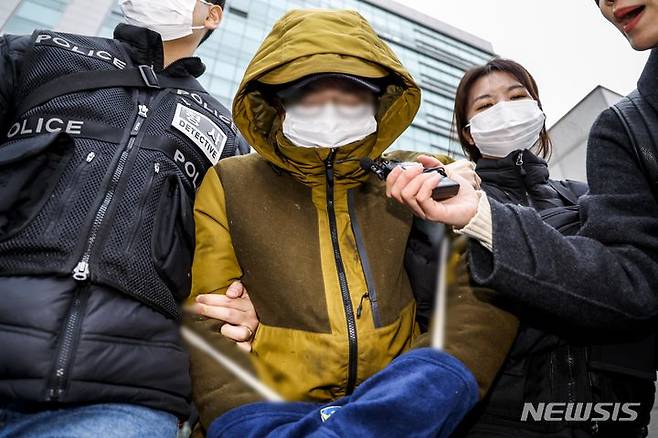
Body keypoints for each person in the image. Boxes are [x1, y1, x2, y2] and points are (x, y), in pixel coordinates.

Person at [187, 9, 518, 437]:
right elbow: (210, 319)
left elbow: (481, 293)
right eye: (307, 88)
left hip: (411, 414)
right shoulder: (229, 182)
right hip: (273, 415)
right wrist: (249, 425)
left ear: (379, 98)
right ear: (275, 99)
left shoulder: (417, 175)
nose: (330, 104)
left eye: (351, 88)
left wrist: (409, 404)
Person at [386, 1, 658, 436]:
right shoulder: (441, 206)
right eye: (486, 105)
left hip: (614, 420)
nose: (505, 109)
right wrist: (576, 283)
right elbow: (445, 315)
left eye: (517, 97)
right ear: (468, 133)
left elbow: (631, 290)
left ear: (540, 111)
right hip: (495, 422)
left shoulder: (592, 196)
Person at [0, 0, 247, 436]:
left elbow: (231, 268)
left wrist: (246, 308)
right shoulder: (37, 53)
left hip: (125, 397)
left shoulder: (226, 135)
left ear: (211, 15)